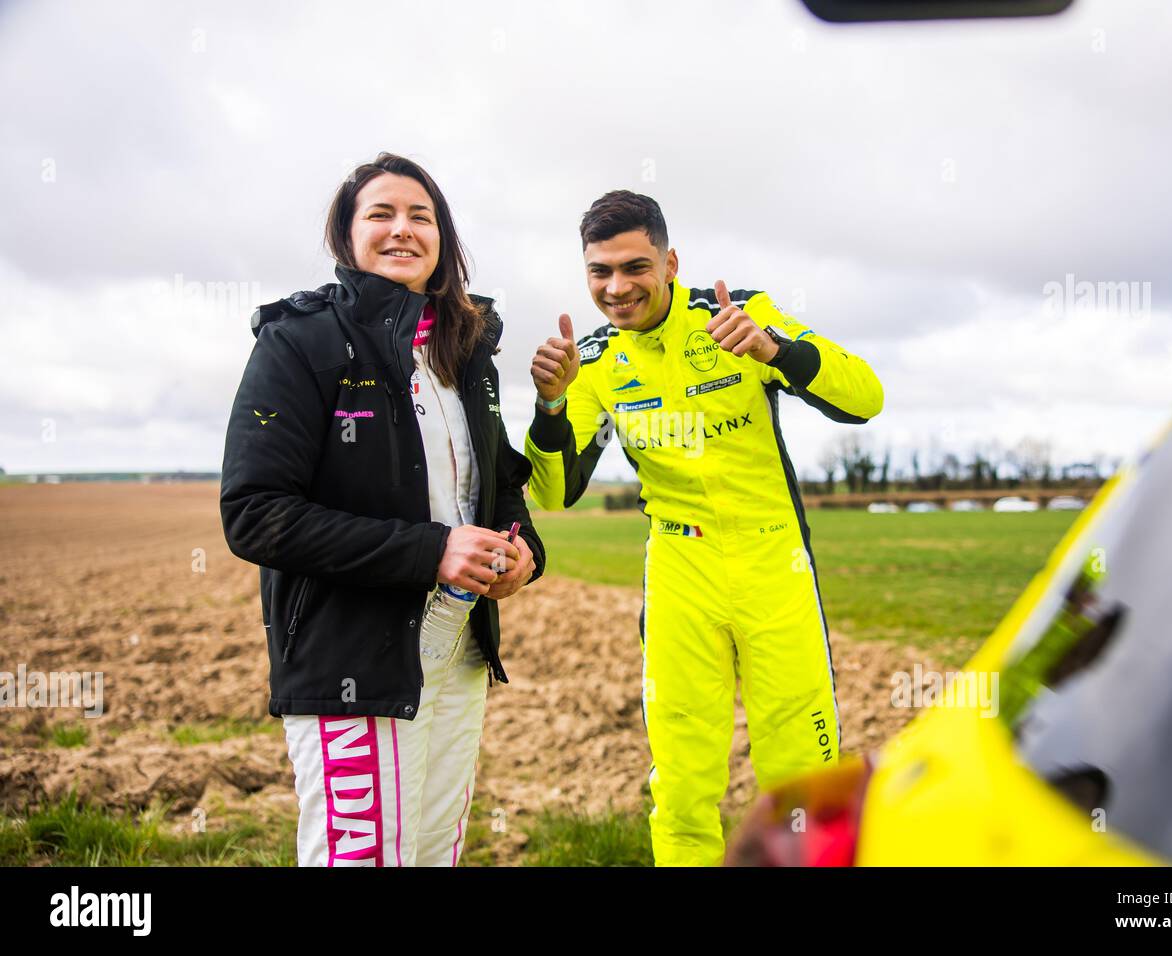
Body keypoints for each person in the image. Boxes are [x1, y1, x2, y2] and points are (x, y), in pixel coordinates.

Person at [525, 190, 884, 866]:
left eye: (634, 266)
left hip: (773, 562)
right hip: (679, 572)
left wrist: (776, 350)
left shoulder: (737, 314)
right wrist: (548, 408)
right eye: (599, 272)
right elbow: (555, 489)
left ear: (670, 262)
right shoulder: (594, 360)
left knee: (800, 772)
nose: (617, 287)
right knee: (683, 781)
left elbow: (866, 396)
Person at [220, 152, 544, 866]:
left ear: (443, 239)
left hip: (458, 653)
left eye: (420, 216)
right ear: (348, 235)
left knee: (433, 854)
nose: (403, 229)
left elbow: (499, 488)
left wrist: (523, 553)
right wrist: (432, 550)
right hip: (355, 659)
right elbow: (255, 512)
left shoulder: (466, 353)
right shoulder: (298, 341)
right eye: (381, 214)